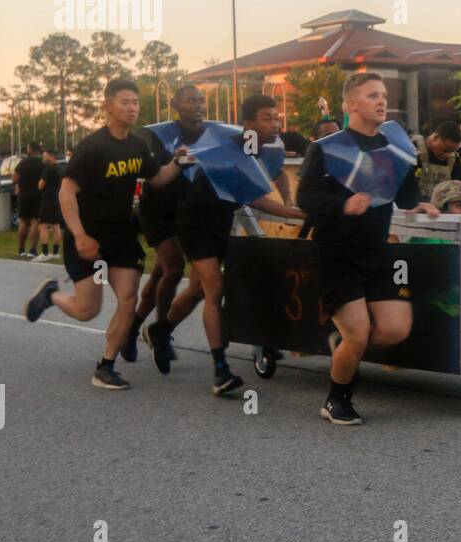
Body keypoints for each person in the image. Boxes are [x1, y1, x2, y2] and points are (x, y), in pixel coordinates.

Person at [23, 79, 192, 390]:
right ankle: (51, 295)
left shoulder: (137, 145)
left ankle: (106, 366)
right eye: (125, 102)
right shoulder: (92, 147)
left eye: (135, 102)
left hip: (121, 236)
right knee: (88, 310)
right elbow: (66, 192)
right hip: (88, 236)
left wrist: (178, 162)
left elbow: (157, 178)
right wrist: (79, 235)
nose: (132, 108)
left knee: (128, 298)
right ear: (107, 106)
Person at [297, 72, 439, 426]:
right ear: (351, 105)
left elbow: (403, 192)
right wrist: (342, 205)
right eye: (372, 95)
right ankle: (337, 399)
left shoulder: (396, 147)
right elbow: (305, 197)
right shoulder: (326, 148)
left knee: (395, 330)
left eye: (384, 95)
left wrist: (419, 202)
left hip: (378, 252)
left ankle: (344, 346)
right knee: (358, 334)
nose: (382, 101)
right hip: (336, 255)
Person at [148, 94, 303, 396]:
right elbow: (255, 198)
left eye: (277, 118)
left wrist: (289, 200)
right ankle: (221, 371)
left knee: (197, 290)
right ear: (249, 124)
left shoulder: (265, 147)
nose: (275, 124)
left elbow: (276, 172)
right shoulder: (229, 147)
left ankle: (161, 329)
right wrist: (296, 214)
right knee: (214, 288)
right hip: (195, 221)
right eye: (267, 119)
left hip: (221, 222)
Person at [126, 84, 207, 366]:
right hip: (157, 209)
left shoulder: (213, 133)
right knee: (174, 267)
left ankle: (133, 328)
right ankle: (161, 331)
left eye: (201, 100)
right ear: (176, 106)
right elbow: (149, 168)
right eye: (191, 101)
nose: (198, 105)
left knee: (160, 274)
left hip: (189, 210)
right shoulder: (156, 134)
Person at [411, 120, 461, 203]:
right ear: (435, 138)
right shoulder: (413, 150)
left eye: (451, 152)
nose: (447, 155)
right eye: (445, 150)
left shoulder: (453, 159)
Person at [13, 142, 45, 259]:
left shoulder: (23, 163)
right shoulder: (42, 163)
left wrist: (20, 185)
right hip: (38, 194)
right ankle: (32, 250)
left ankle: (21, 249)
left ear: (30, 150)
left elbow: (15, 179)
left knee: (23, 221)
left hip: (24, 194)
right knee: (35, 221)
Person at [33, 147, 64, 262]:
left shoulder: (47, 170)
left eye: (45, 155)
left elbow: (41, 185)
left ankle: (45, 253)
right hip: (57, 199)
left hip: (48, 199)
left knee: (43, 225)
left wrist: (39, 183)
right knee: (56, 225)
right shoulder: (61, 169)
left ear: (51, 156)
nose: (43, 157)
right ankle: (55, 253)